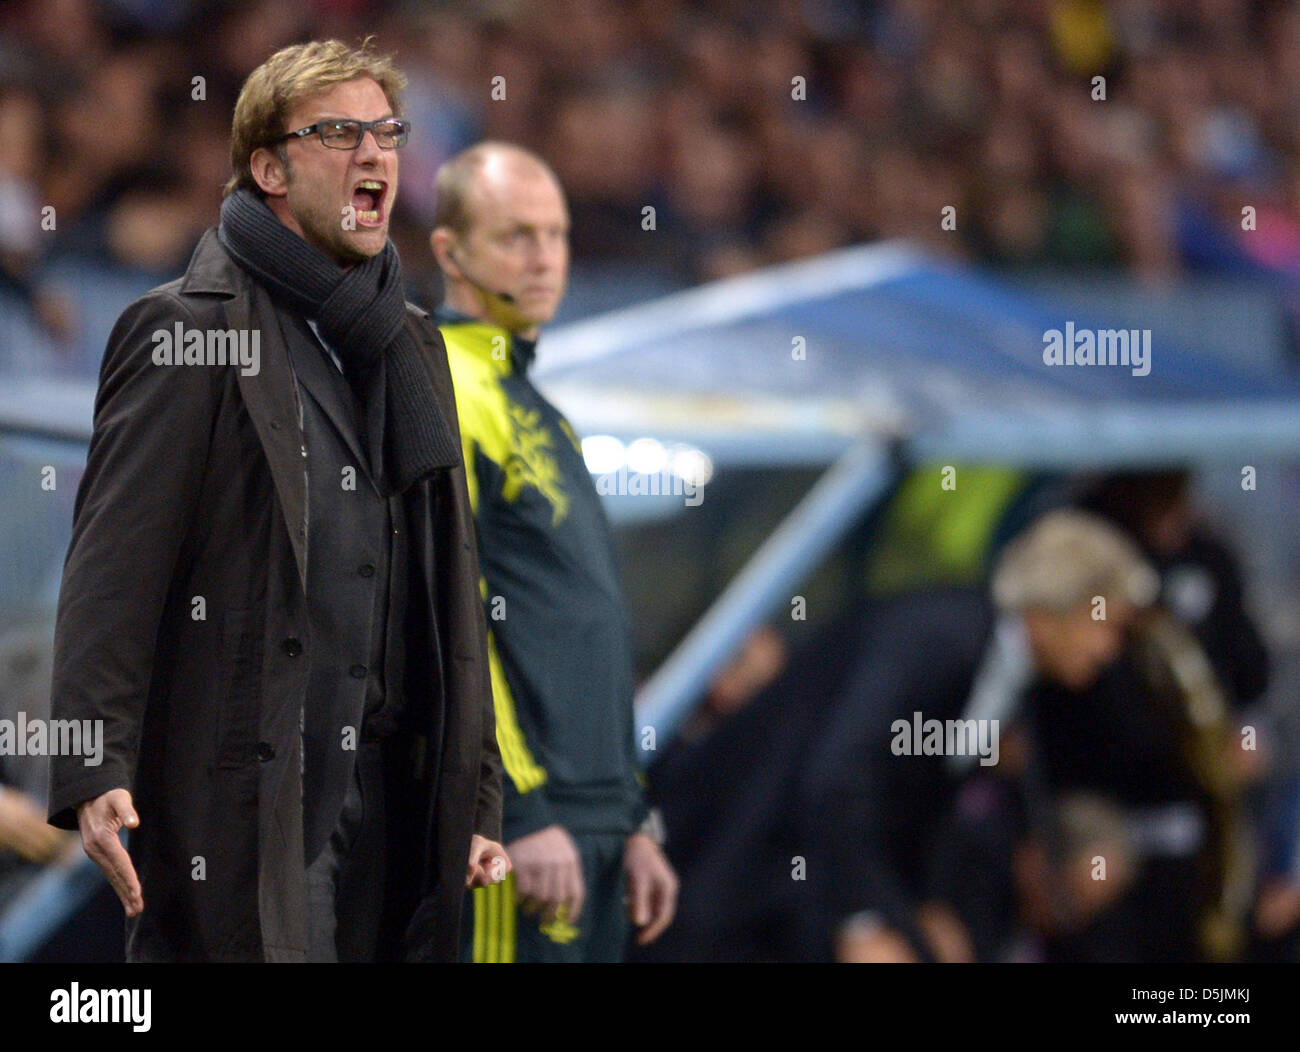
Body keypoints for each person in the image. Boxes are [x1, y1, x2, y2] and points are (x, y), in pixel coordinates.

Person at [45, 39, 508, 963]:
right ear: (269, 169)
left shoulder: (411, 347)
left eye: (387, 133)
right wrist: (95, 765)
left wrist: (477, 794)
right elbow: (114, 566)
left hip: (392, 799)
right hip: (253, 793)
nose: (375, 154)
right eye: (340, 132)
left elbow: (451, 587)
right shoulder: (188, 330)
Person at [429, 142, 677, 962]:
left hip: (592, 822)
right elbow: (448, 617)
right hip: (526, 829)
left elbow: (575, 623)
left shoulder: (537, 404)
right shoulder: (446, 387)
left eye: (557, 234)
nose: (544, 259)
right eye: (515, 237)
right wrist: (515, 812)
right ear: (450, 252)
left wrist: (629, 816)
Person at [800, 509, 1159, 962]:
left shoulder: (1002, 674)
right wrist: (866, 919)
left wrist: (920, 911)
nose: (1109, 651)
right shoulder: (938, 639)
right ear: (1055, 608)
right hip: (753, 888)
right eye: (1107, 626)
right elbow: (839, 778)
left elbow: (917, 805)